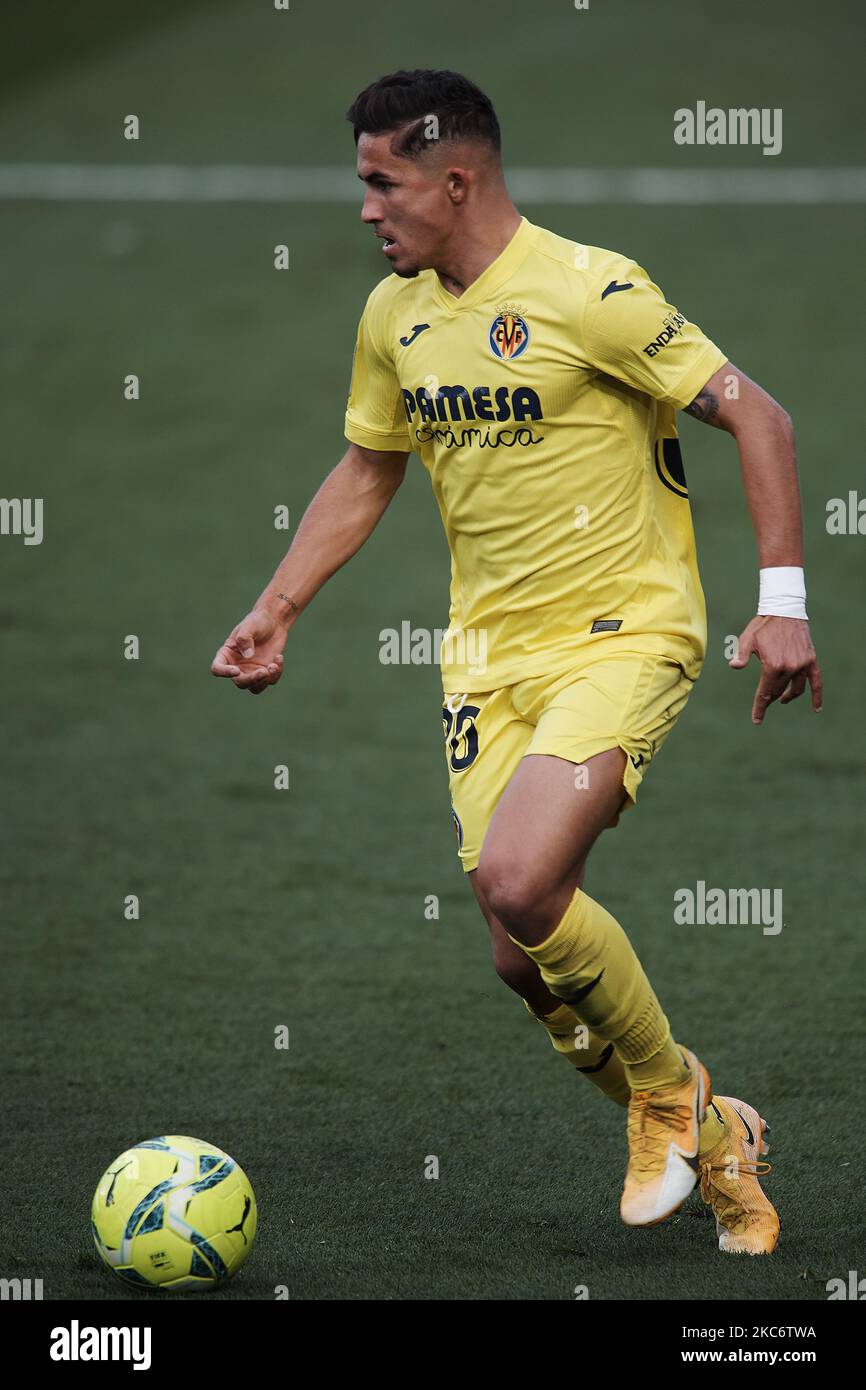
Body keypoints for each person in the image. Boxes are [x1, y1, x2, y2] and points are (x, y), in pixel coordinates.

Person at [212, 69, 822, 1255]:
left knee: (516, 877)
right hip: (486, 664)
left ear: (456, 180)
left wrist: (782, 601)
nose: (364, 210)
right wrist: (277, 605)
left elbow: (760, 414)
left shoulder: (591, 290)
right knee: (520, 952)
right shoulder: (392, 317)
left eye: (381, 183)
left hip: (627, 631)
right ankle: (714, 1125)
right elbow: (370, 465)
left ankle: (658, 1101)